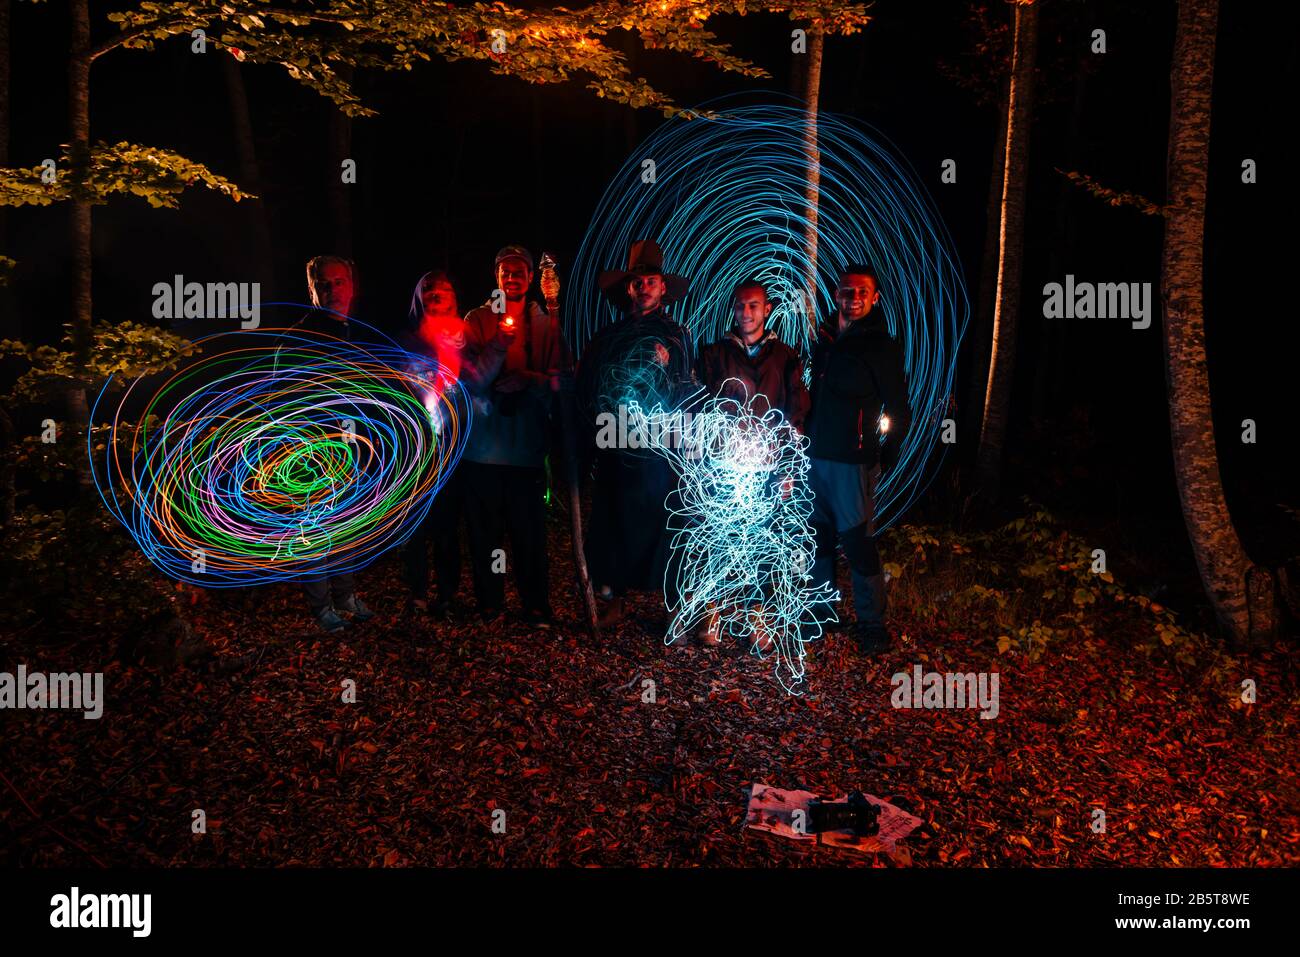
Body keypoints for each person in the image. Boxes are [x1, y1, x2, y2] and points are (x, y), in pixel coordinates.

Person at [577, 239, 695, 629]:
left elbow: (684, 385)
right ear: (629, 288)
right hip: (615, 437)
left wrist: (667, 362)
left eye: (651, 281)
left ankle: (672, 606)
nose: (643, 287)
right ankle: (614, 598)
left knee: (663, 518)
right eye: (637, 282)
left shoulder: (676, 334)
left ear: (663, 288)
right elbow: (592, 384)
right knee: (614, 517)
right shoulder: (608, 337)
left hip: (659, 442)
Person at [693, 278, 811, 647]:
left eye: (754, 306)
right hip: (724, 462)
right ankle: (713, 611)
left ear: (767, 310)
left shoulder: (786, 357)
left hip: (768, 464)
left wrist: (788, 465)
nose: (746, 313)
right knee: (720, 539)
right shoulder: (714, 354)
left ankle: (757, 615)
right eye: (741, 305)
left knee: (762, 541)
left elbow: (796, 411)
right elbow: (700, 404)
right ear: (733, 309)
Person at [459, 245, 570, 629]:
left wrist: (531, 380)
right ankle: (490, 604)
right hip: (484, 451)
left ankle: (536, 606)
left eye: (519, 271)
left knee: (529, 537)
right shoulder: (477, 320)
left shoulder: (546, 323)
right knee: (486, 534)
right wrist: (500, 343)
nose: (512, 277)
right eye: (505, 271)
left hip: (526, 450)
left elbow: (561, 382)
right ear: (496, 277)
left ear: (530, 277)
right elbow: (471, 380)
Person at [804, 264, 912, 654]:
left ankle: (871, 624)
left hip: (853, 462)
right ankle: (820, 611)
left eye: (862, 292)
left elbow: (899, 405)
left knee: (858, 541)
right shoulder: (826, 340)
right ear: (836, 294)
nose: (853, 297)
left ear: (875, 298)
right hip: (815, 457)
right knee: (819, 538)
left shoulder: (880, 345)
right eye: (847, 290)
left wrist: (885, 455)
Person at [294, 254, 375, 633]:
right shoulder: (301, 338)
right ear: (311, 289)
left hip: (351, 447)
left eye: (339, 282)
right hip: (315, 453)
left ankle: (344, 596)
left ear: (352, 286)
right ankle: (321, 607)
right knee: (315, 530)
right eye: (323, 283)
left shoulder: (352, 334)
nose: (332, 290)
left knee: (345, 527)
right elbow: (290, 399)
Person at [399, 269, 469, 620]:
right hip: (417, 450)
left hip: (453, 449)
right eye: (428, 289)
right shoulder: (406, 341)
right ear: (418, 296)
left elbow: (475, 384)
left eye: (444, 288)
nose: (436, 294)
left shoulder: (464, 338)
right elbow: (398, 390)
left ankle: (447, 593)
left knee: (446, 523)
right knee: (415, 523)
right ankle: (418, 592)